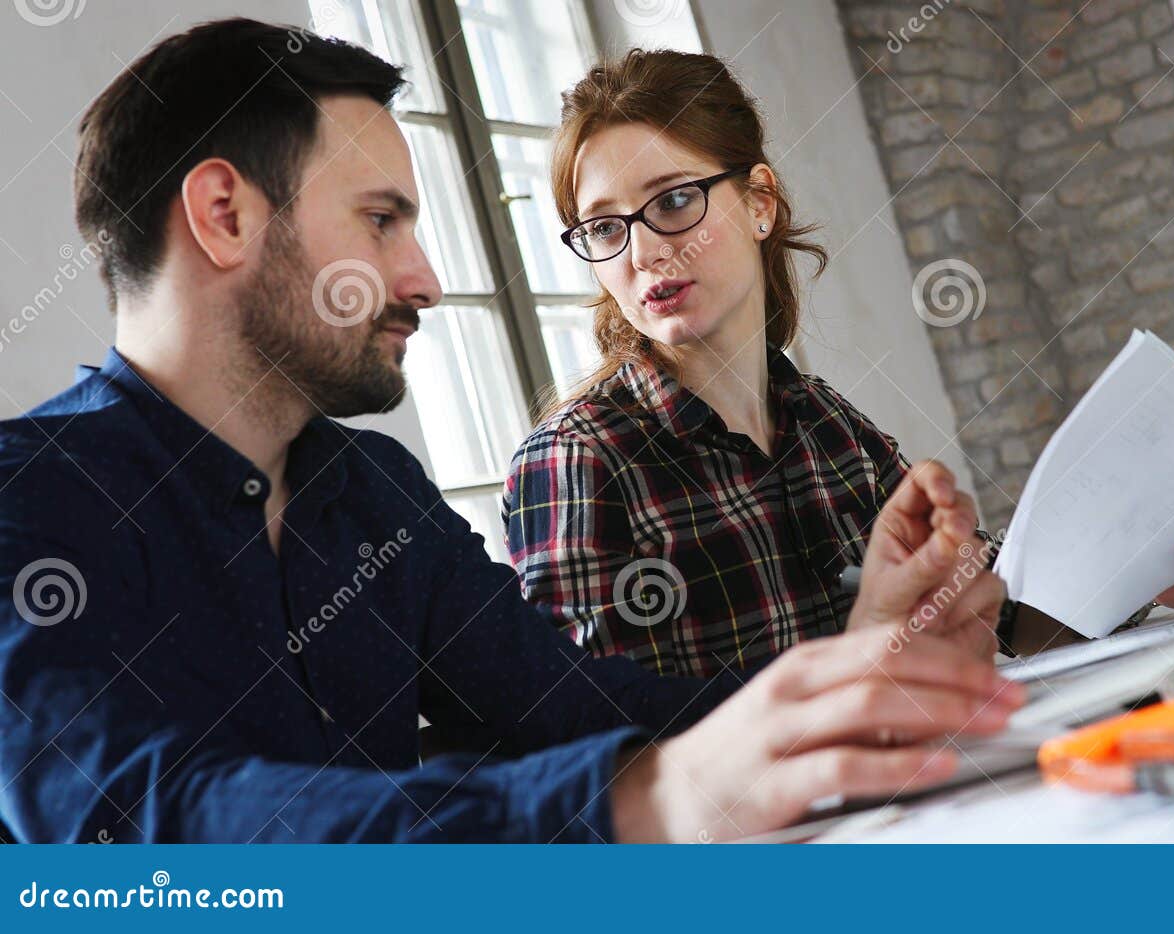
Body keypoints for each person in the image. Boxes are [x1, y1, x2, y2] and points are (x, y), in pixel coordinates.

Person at [0, 18, 1020, 845]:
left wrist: (858, 660)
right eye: (381, 220)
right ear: (224, 214)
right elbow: (140, 826)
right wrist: (636, 802)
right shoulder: (26, 498)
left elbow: (575, 706)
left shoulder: (373, 492)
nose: (426, 280)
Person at [503, 49, 1174, 673]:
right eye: (604, 228)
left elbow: (1001, 616)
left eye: (674, 200)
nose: (641, 251)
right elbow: (601, 749)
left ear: (759, 202)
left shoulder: (827, 427)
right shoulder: (578, 463)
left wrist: (1150, 575)